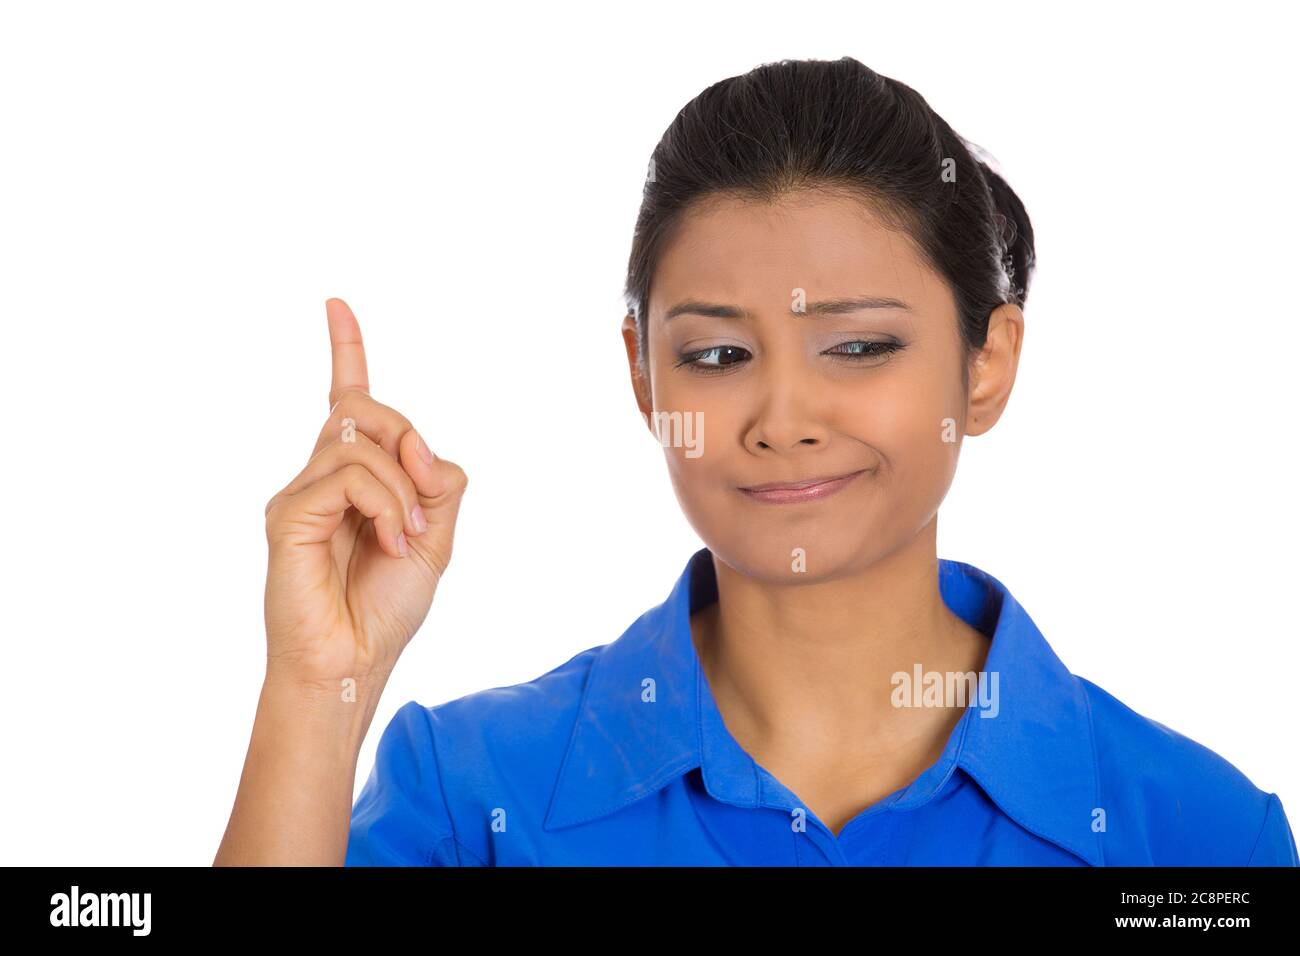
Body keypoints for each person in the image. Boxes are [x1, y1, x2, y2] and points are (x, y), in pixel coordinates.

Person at [215, 56, 1299, 866]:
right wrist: (318, 685)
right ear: (644, 374)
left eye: (860, 345)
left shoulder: (1192, 834)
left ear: (984, 365)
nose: (782, 417)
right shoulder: (471, 791)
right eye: (719, 353)